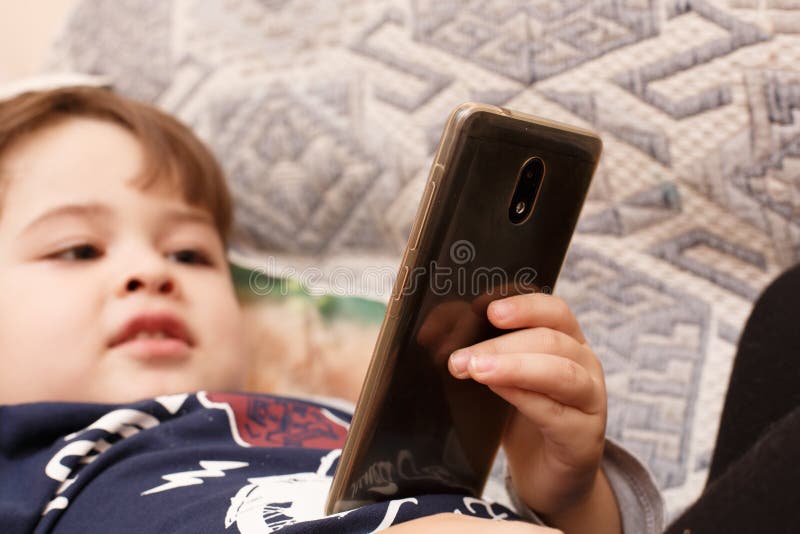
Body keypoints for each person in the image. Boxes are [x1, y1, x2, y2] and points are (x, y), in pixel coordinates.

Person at [0, 86, 662, 533]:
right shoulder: (24, 470)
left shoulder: (349, 424)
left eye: (191, 256)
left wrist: (568, 496)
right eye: (78, 249)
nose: (150, 271)